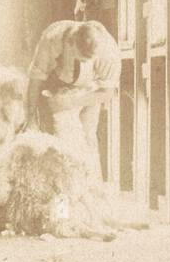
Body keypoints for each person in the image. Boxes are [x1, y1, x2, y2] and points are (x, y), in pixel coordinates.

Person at [26, 19, 120, 175]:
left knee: (87, 137)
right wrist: (30, 118)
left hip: (91, 89)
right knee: (50, 137)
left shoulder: (109, 53)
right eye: (80, 57)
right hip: (55, 80)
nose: (82, 61)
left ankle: (90, 187)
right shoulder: (52, 39)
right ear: (70, 42)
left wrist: (70, 102)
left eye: (86, 60)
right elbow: (35, 79)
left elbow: (107, 93)